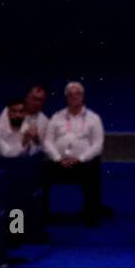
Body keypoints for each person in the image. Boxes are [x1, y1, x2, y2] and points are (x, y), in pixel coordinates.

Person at [43, 81, 105, 225]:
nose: (74, 96)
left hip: (83, 164)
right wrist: (58, 159)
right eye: (70, 94)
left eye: (77, 93)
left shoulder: (94, 118)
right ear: (66, 97)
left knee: (92, 170)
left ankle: (91, 215)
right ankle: (43, 215)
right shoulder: (56, 118)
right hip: (58, 163)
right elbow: (47, 142)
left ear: (83, 96)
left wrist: (80, 159)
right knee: (42, 173)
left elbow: (98, 144)